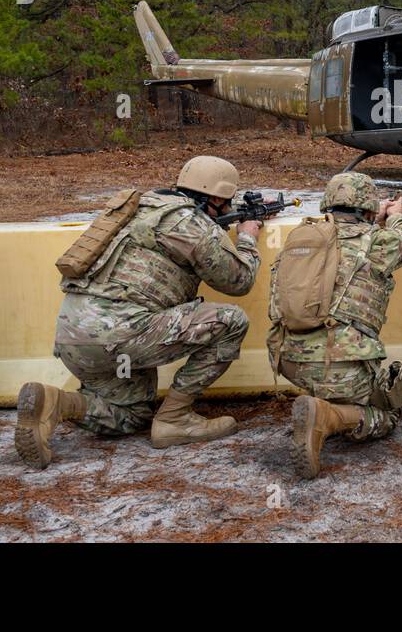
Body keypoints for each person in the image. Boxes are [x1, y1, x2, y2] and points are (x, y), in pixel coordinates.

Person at [14, 156, 260, 467]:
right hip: (122, 333)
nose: (228, 208)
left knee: (130, 416)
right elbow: (239, 281)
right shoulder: (189, 222)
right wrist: (248, 237)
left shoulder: (136, 208)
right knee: (232, 321)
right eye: (226, 203)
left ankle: (57, 403)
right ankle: (175, 418)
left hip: (73, 336)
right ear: (214, 197)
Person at [267, 172, 402, 478]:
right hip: (339, 365)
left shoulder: (302, 237)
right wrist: (396, 217)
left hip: (289, 360)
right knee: (387, 415)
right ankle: (329, 415)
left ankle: (321, 401)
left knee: (334, 373)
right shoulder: (378, 241)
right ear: (367, 208)